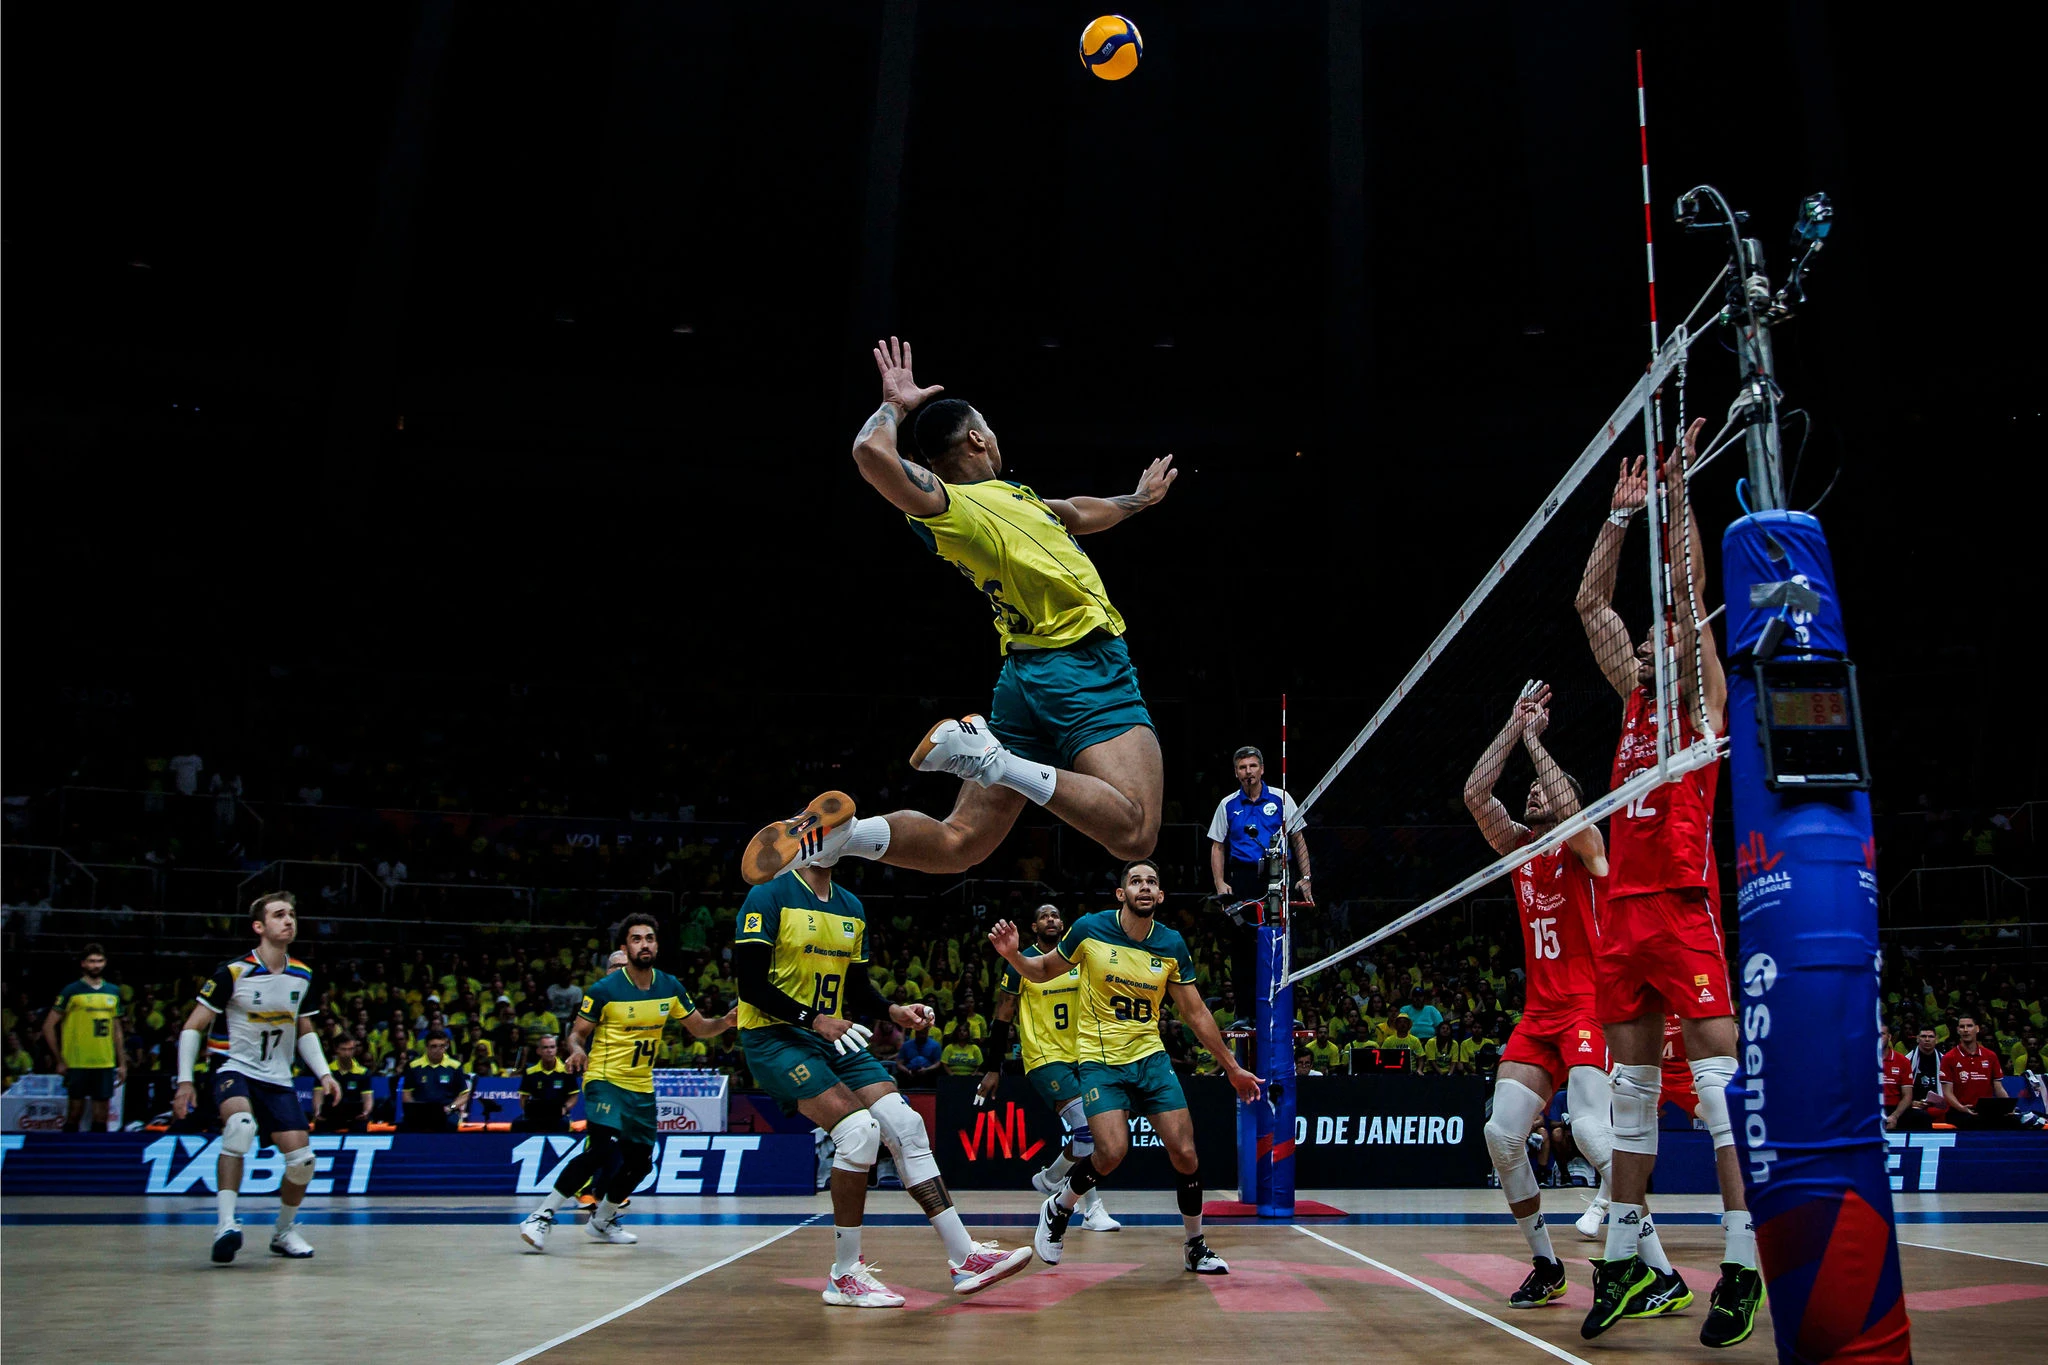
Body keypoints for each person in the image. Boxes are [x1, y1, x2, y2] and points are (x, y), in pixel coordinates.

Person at [741, 337, 1177, 889]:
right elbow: (870, 455)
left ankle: (839, 838)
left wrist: (1138, 500)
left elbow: (1076, 514)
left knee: (960, 845)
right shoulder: (953, 507)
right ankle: (991, 759)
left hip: (1026, 676)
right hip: (1080, 663)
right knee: (1136, 834)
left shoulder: (1015, 497)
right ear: (977, 436)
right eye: (989, 429)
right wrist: (896, 406)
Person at [1575, 427, 1761, 1347]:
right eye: (1644, 642)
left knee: (1722, 1090)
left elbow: (1684, 595)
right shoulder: (1633, 701)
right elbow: (1589, 600)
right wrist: (1619, 515)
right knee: (1632, 1097)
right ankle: (1619, 1269)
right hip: (1622, 918)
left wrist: (1680, 493)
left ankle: (1742, 1266)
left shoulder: (1700, 704)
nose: (1650, 642)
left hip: (1682, 906)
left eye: (1665, 638)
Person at [732, 860, 1031, 1304]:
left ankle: (964, 1257)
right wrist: (815, 1020)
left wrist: (892, 1010)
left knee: (905, 1125)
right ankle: (845, 1274)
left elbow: (856, 987)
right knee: (858, 1132)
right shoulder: (768, 896)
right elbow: (752, 984)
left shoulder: (851, 906)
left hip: (833, 1033)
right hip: (775, 1038)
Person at [1461, 684, 1662, 1313]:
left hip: (1586, 1007)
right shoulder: (1519, 847)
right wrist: (1514, 726)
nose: (1532, 792)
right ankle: (1547, 1265)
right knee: (1500, 1134)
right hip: (1539, 1016)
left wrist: (1540, 744)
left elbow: (1574, 809)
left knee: (1592, 1135)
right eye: (1532, 788)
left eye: (1541, 787)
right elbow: (1474, 794)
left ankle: (1657, 1269)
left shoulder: (1585, 846)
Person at [990, 858, 1262, 1276]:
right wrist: (1013, 957)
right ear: (1122, 893)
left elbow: (1195, 1012)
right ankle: (1059, 1207)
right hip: (1100, 1062)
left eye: (1152, 881)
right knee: (1111, 1151)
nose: (1145, 887)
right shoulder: (1089, 929)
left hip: (1150, 1059)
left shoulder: (1171, 944)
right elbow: (1043, 970)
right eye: (1136, 881)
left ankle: (1195, 1245)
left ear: (1161, 895)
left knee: (1186, 1153)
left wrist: (1231, 1067)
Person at [519, 915, 736, 1251]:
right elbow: (576, 1034)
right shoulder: (604, 990)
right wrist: (576, 1052)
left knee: (640, 1163)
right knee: (602, 1147)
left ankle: (603, 1220)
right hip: (605, 1079)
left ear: (657, 945)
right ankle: (541, 1215)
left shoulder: (670, 986)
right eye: (636, 939)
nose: (644, 944)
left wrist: (725, 1021)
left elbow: (700, 1028)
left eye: (649, 938)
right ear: (625, 947)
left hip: (641, 1086)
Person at [171, 893, 342, 1263]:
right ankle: (226, 1224)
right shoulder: (233, 972)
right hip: (234, 1068)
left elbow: (305, 1027)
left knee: (303, 1161)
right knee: (240, 1127)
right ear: (259, 927)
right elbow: (192, 1027)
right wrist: (185, 1081)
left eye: (292, 914)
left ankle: (283, 1232)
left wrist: (325, 1074)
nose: (289, 920)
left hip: (279, 1078)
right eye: (279, 915)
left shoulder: (303, 974)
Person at [977, 903, 1118, 1233]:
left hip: (1084, 1055)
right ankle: (1078, 1196)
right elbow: (1003, 1014)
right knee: (1086, 1132)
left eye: (1056, 915)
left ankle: (1063, 1186)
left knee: (1092, 1139)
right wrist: (993, 1067)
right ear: (1035, 926)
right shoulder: (1020, 962)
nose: (1051, 920)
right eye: (1044, 916)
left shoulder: (1078, 959)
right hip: (1044, 1058)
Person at [1206, 746, 1313, 999]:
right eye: (1242, 767)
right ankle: (1245, 1012)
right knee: (1242, 942)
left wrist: (1306, 878)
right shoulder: (1227, 804)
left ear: (1262, 769)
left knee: (1283, 941)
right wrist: (1220, 883)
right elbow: (1217, 845)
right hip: (1242, 878)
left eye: (1253, 766)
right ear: (1236, 773)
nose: (1248, 772)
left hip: (1277, 876)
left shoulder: (1281, 798)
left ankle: (1286, 1006)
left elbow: (1298, 839)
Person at [42, 943, 126, 1132]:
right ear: (83, 964)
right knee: (74, 1113)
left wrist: (122, 1062)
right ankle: (67, 1157)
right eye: (91, 961)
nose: (96, 965)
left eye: (100, 961)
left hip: (104, 1062)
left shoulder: (113, 991)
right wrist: (59, 1059)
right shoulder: (71, 990)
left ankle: (97, 1159)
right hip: (77, 1061)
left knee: (101, 1117)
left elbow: (117, 1029)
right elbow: (48, 1026)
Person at [1942, 1015, 2038, 1129]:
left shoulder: (1990, 1056)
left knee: (2015, 1121)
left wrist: (2009, 1107)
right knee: (1974, 1122)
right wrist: (1962, 1108)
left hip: (1985, 1111)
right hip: (1959, 1111)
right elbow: (1947, 1093)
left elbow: (1998, 1088)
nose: (1966, 1030)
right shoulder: (1949, 1057)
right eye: (1962, 1027)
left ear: (1977, 1029)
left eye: (1969, 1026)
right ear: (1958, 1030)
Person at [402, 1031, 472, 1132]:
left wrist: (450, 1107)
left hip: (446, 1113)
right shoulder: (414, 1066)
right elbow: (406, 1094)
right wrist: (416, 1111)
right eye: (434, 1046)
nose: (438, 1050)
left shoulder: (455, 1066)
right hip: (420, 1115)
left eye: (442, 1046)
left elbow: (464, 1095)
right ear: (427, 1047)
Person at [515, 1033, 576, 1133]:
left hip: (559, 1115)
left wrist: (564, 1108)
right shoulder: (530, 1071)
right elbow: (523, 1097)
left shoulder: (566, 1070)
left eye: (552, 1047)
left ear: (556, 1049)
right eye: (545, 1048)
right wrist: (528, 1112)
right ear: (538, 1051)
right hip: (536, 1115)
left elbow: (574, 1095)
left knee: (564, 1124)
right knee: (516, 1124)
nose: (549, 1051)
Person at [314, 1036, 374, 1133]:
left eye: (350, 1049)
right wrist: (317, 1112)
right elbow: (318, 1095)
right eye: (343, 1049)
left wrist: (366, 1112)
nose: (347, 1053)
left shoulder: (363, 1072)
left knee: (362, 1125)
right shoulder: (326, 1071)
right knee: (320, 1125)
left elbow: (367, 1097)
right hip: (331, 1116)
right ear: (336, 1049)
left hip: (354, 1117)